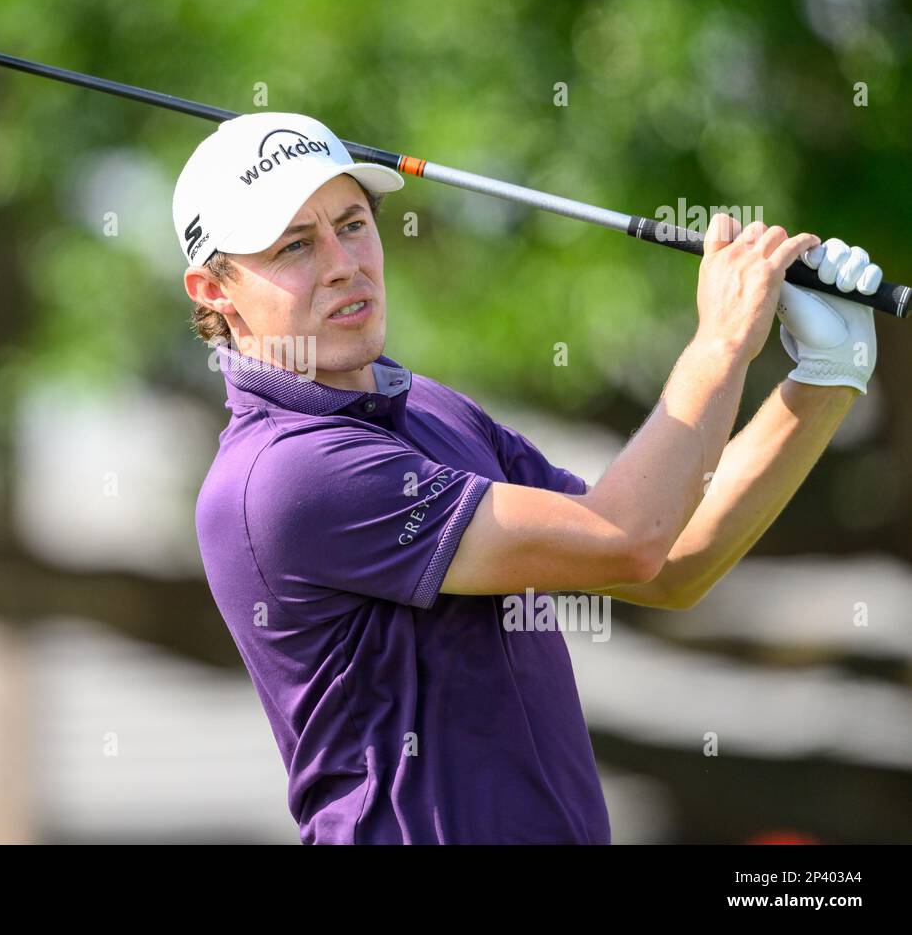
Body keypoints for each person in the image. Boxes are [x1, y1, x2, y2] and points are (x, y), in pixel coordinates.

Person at [174, 111, 882, 845]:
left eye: (352, 223)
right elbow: (629, 538)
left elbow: (669, 559)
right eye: (295, 244)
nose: (342, 261)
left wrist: (827, 377)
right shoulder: (286, 473)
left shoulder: (428, 410)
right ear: (214, 289)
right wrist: (726, 334)